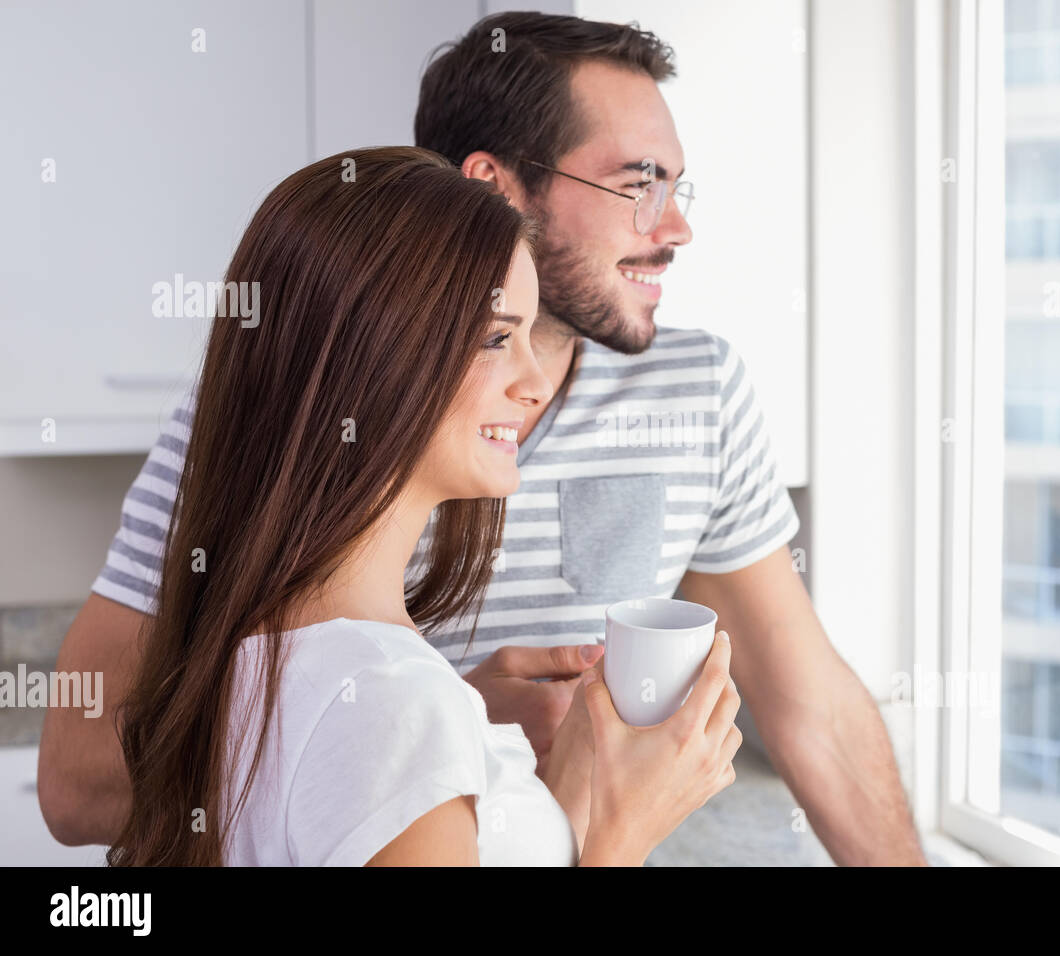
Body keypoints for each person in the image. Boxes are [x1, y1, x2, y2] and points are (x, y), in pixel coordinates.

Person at [40, 12, 925, 865]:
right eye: (635, 182)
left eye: (676, 186)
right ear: (490, 187)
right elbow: (78, 786)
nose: (675, 224)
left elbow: (812, 712)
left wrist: (472, 762)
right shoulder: (281, 411)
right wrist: (437, 744)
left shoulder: (698, 395)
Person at [105, 147, 741, 866]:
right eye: (497, 337)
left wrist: (565, 790)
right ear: (367, 361)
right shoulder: (390, 699)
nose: (534, 382)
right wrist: (631, 827)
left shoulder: (269, 652)